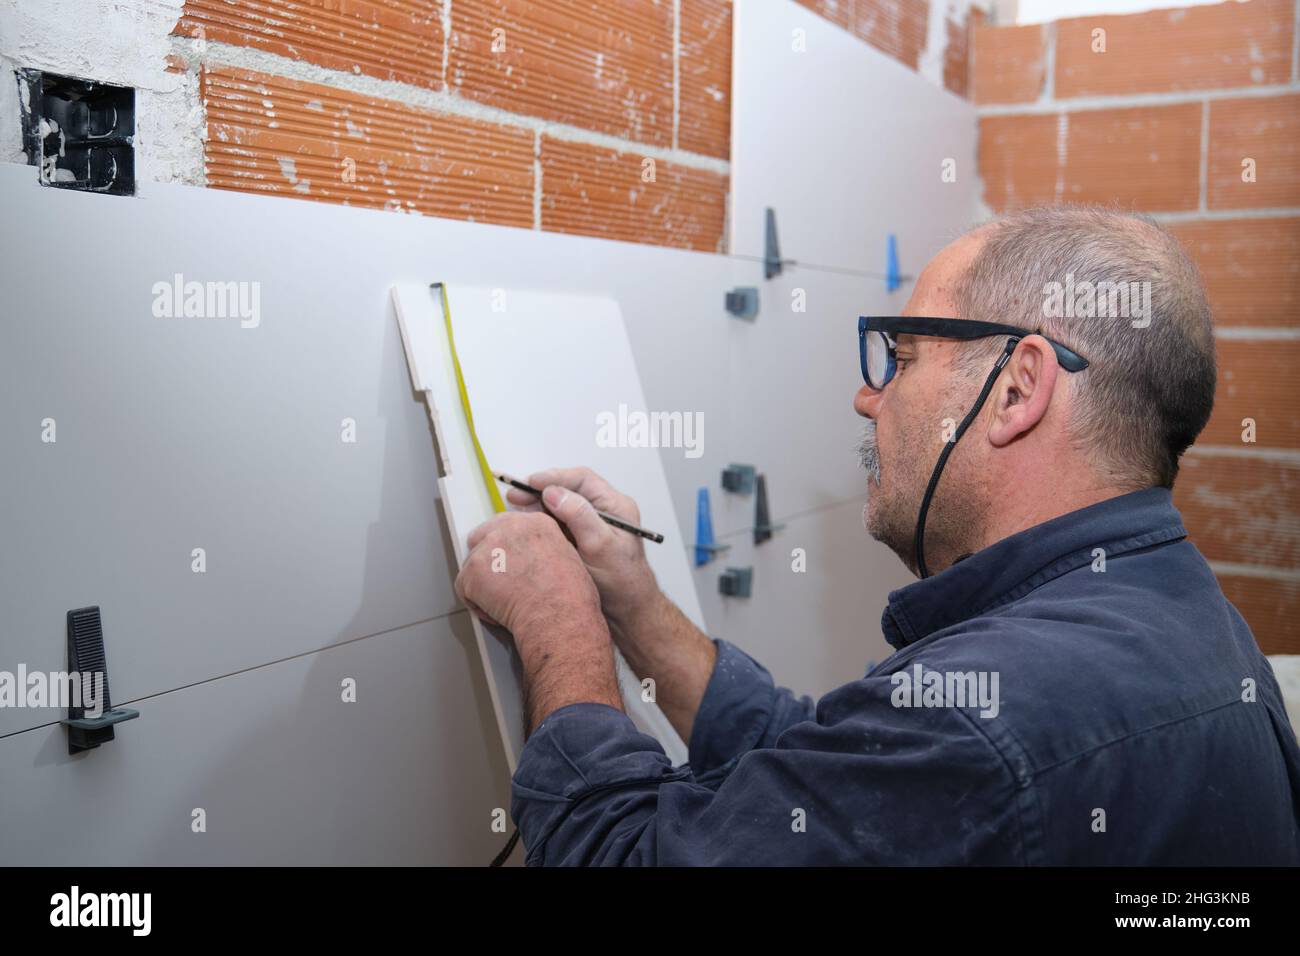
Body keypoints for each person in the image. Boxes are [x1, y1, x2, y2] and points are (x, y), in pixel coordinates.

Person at [454, 205, 1300, 865]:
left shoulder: (996, 719)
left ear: (1017, 390)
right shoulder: (1184, 618)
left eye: (900, 359)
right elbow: (838, 786)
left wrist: (559, 626)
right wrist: (636, 609)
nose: (869, 398)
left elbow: (625, 856)